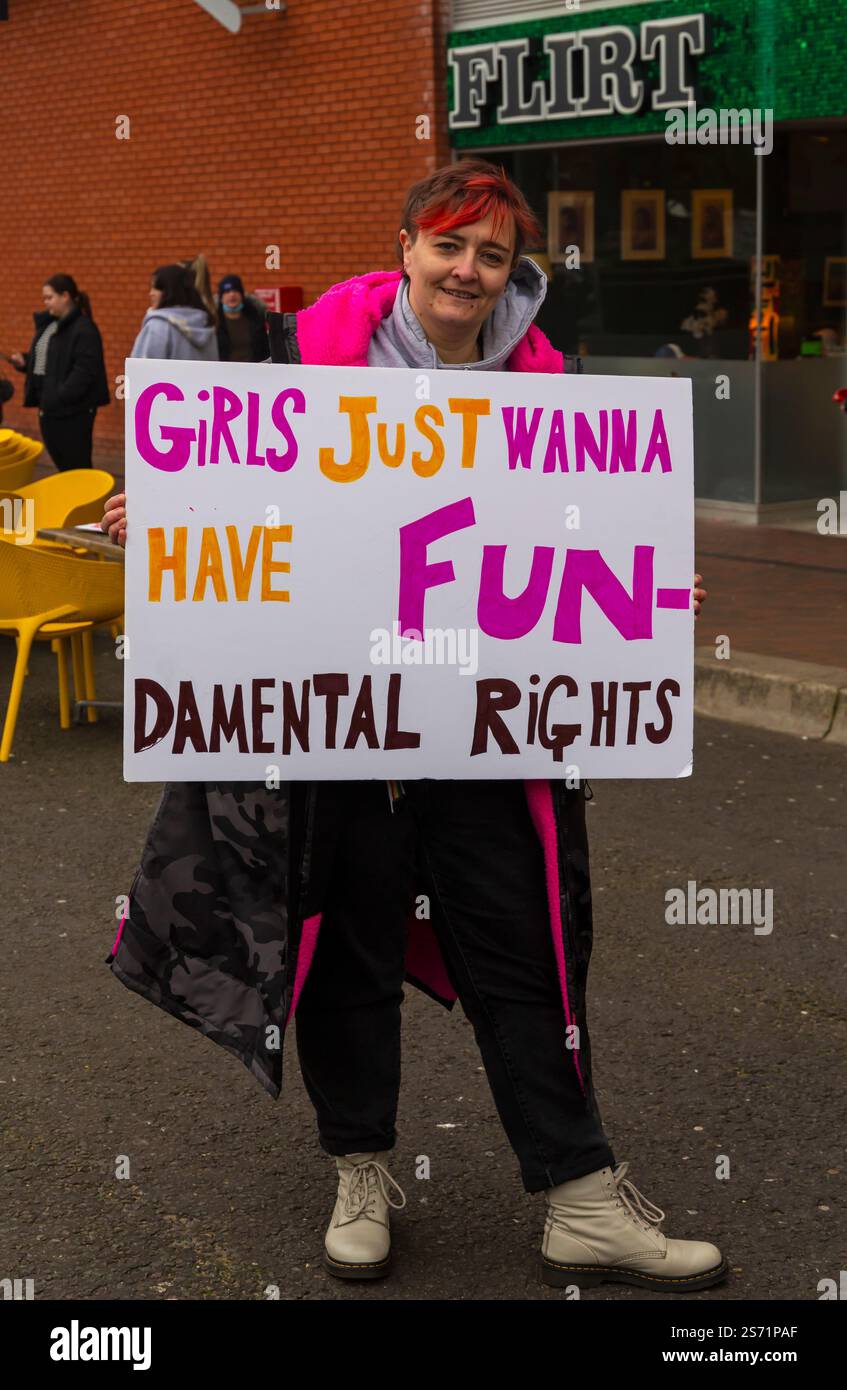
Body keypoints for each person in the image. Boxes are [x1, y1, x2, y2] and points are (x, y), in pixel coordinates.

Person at [101, 158, 719, 1292]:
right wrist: (168, 505)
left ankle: (579, 1194)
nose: (468, 271)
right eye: (449, 245)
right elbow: (249, 486)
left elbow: (578, 529)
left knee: (524, 944)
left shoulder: (544, 378)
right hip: (340, 715)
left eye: (491, 254)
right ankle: (361, 1168)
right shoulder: (306, 356)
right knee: (345, 938)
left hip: (482, 722)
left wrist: (650, 590)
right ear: (405, 250)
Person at [9, 274, 110, 471]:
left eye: (49, 297)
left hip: (72, 412)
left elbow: (85, 371)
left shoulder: (83, 328)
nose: (46, 303)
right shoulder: (51, 326)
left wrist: (60, 395)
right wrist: (25, 361)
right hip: (50, 410)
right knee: (64, 467)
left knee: (76, 467)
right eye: (44, 298)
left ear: (65, 296)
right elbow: (48, 361)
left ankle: (85, 501)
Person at [130, 264, 219, 361]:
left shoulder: (158, 327)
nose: (151, 293)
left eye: (156, 288)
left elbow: (142, 371)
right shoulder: (206, 325)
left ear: (170, 291)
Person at [216, 274, 270, 362]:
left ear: (242, 295)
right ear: (221, 298)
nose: (232, 294)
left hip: (254, 371)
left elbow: (264, 349)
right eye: (227, 292)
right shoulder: (215, 322)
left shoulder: (255, 319)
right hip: (224, 372)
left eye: (235, 290)